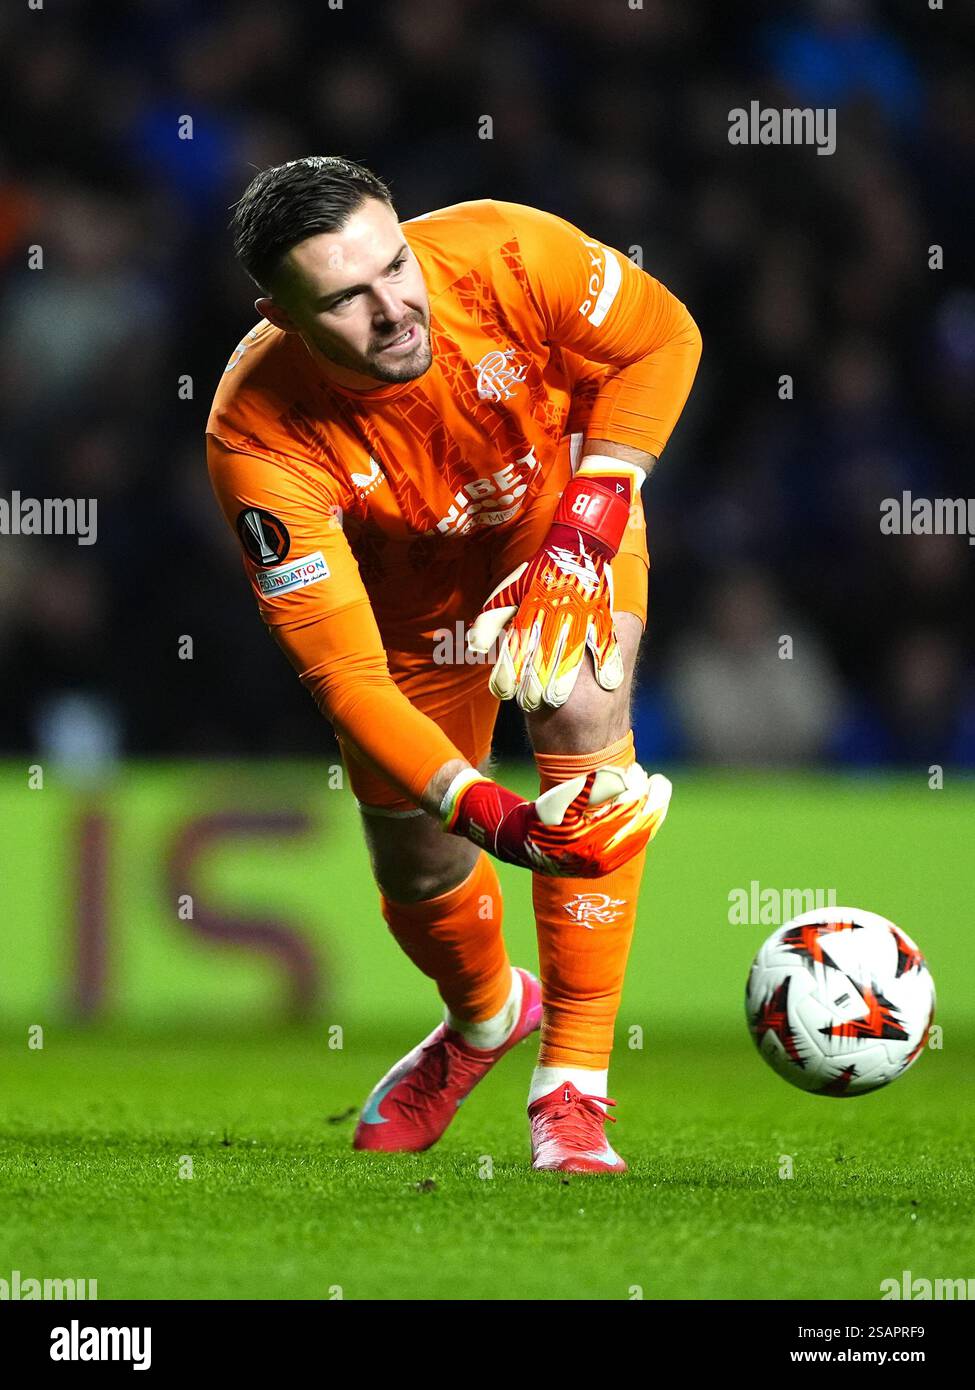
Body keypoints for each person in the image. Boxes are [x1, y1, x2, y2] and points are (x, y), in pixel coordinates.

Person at [206, 156, 701, 1173]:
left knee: (580, 700)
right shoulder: (256, 432)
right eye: (345, 298)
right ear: (281, 313)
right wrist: (495, 820)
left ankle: (574, 1087)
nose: (393, 308)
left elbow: (662, 336)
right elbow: (347, 681)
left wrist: (595, 513)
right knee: (423, 860)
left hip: (554, 517)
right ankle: (484, 1017)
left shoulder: (505, 250)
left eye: (394, 265)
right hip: (405, 611)